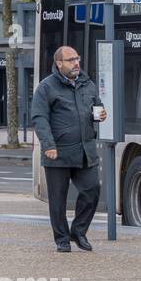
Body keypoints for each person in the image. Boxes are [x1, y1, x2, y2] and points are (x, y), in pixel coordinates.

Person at [31, 46, 106, 252]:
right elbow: (39, 118)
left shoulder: (87, 83)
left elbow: (96, 107)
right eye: (71, 60)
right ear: (59, 64)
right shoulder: (46, 87)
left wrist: (100, 114)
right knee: (58, 200)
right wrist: (48, 145)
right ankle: (62, 239)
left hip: (85, 151)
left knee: (92, 190)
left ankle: (79, 231)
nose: (76, 63)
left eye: (77, 58)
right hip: (58, 153)